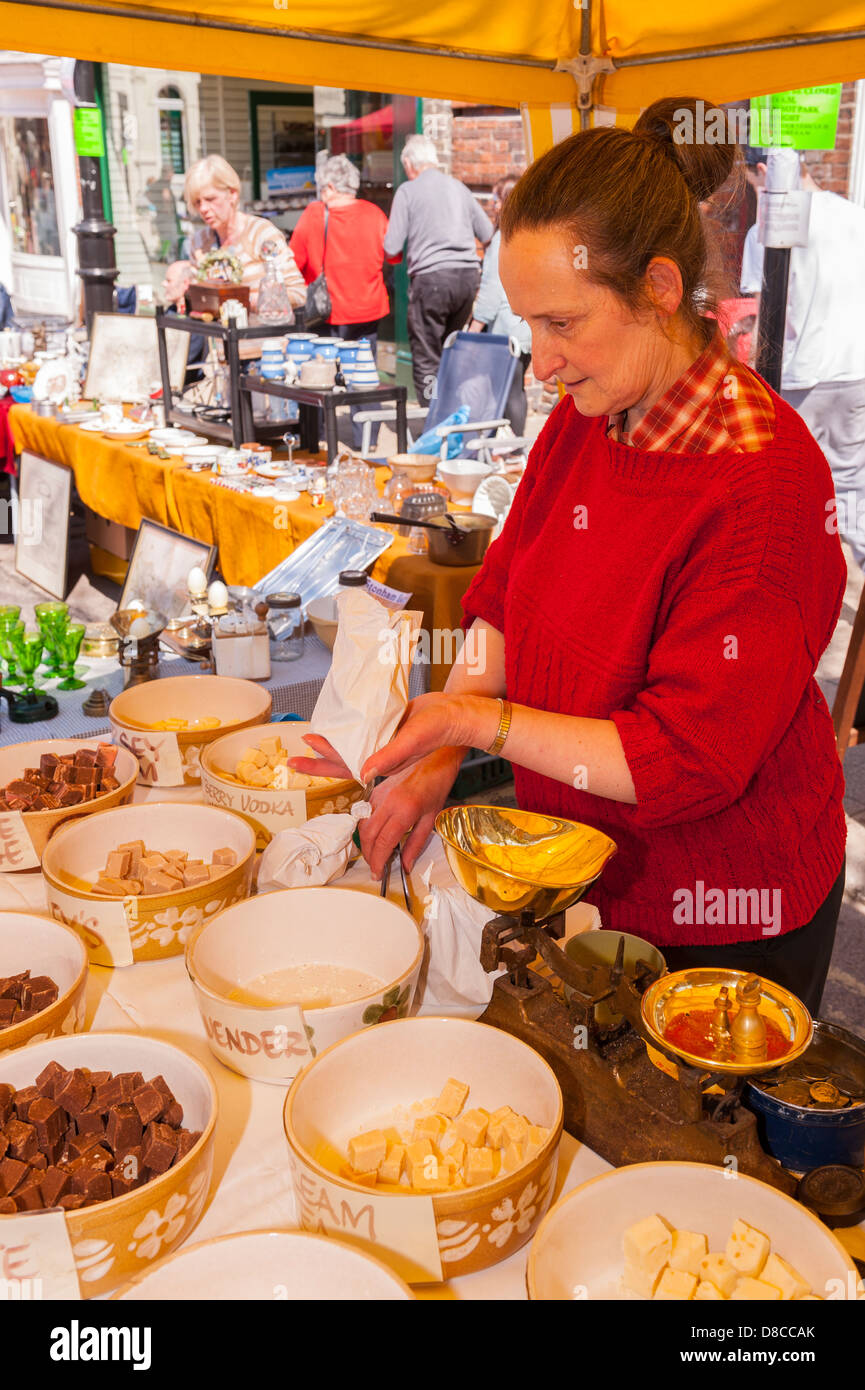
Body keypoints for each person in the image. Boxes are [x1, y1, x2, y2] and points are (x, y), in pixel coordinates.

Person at [290, 97, 847, 1014]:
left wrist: (473, 729)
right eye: (528, 327)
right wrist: (440, 741)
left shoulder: (761, 480)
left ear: (660, 290)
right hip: (590, 870)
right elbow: (505, 595)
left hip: (725, 911)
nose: (539, 363)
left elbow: (686, 755)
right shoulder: (590, 419)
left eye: (563, 324)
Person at [740, 154, 865, 567]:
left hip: (799, 376)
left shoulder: (767, 231)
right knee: (851, 492)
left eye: (755, 187)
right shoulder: (856, 217)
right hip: (856, 371)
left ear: (766, 173)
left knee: (787, 488)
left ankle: (793, 581)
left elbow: (761, 320)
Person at [384, 134, 493, 405]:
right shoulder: (459, 187)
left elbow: (391, 247)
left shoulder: (407, 191)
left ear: (409, 164)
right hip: (467, 279)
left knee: (426, 355)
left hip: (431, 279)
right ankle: (454, 413)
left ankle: (433, 421)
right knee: (451, 349)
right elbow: (488, 233)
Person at [164, 155, 305, 312]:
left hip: (262, 334)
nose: (203, 208)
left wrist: (248, 301)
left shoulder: (261, 233)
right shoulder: (199, 243)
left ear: (232, 194)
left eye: (210, 199)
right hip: (218, 335)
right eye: (197, 202)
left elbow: (298, 293)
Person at [290, 154, 389, 359]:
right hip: (369, 309)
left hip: (327, 312)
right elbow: (393, 257)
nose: (321, 194)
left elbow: (295, 262)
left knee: (327, 377)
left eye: (322, 189)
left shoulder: (314, 214)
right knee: (363, 375)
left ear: (331, 188)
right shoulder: (376, 214)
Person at [469, 175, 533, 434]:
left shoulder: (502, 239)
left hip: (506, 330)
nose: (493, 205)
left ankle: (514, 450)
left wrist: (474, 328)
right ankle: (513, 449)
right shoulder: (530, 234)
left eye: (497, 199)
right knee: (514, 388)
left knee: (504, 390)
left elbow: (493, 288)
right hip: (525, 328)